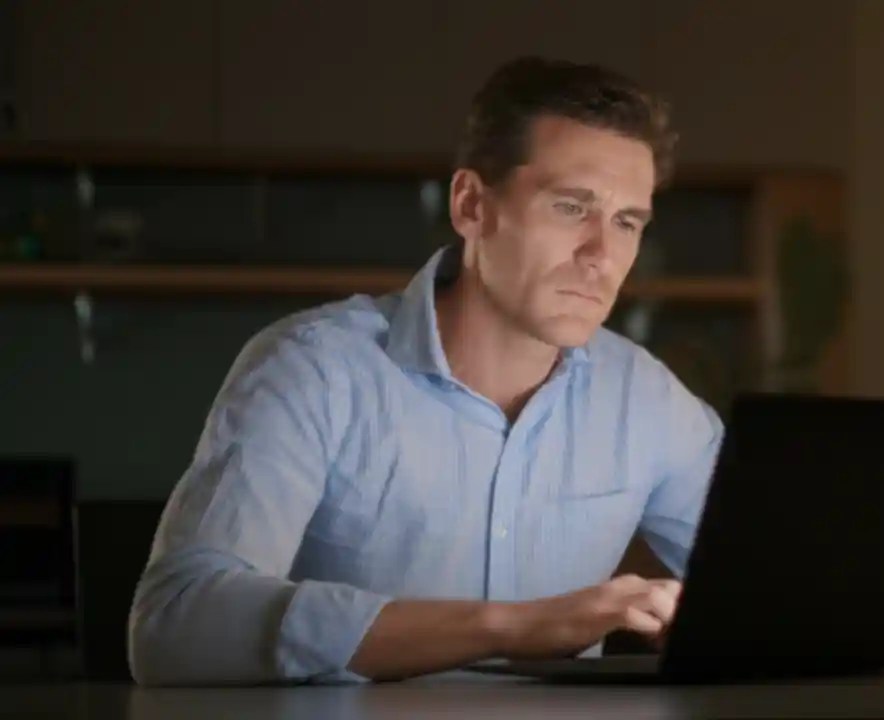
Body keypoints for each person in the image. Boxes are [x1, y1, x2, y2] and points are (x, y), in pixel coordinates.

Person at [127, 56, 723, 686]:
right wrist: (514, 627)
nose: (602, 255)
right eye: (571, 208)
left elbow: (783, 592)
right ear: (471, 205)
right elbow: (174, 626)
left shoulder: (646, 399)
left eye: (627, 222)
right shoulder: (315, 369)